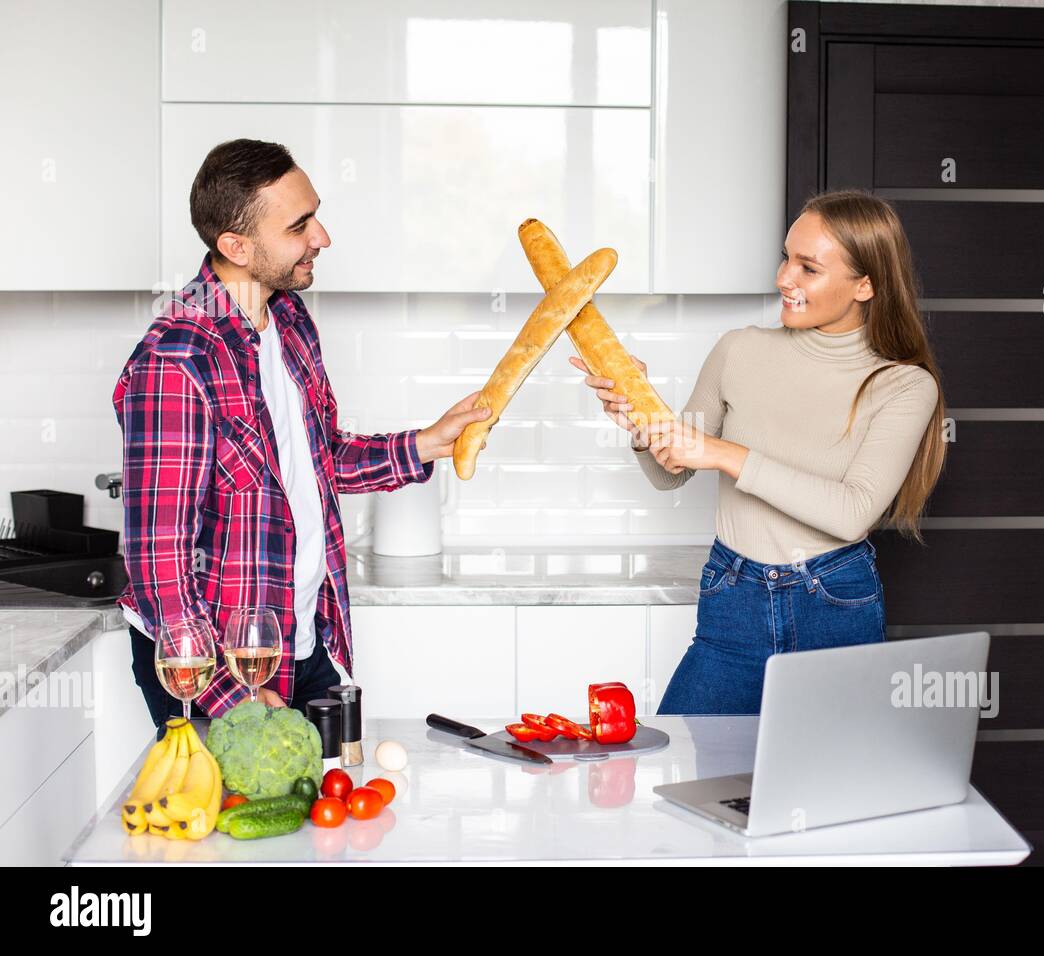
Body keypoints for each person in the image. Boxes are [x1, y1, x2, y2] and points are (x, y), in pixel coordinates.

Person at [113, 138, 491, 732]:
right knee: (240, 823)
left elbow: (317, 458)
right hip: (218, 665)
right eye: (300, 225)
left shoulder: (287, 318)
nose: (323, 237)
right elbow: (157, 556)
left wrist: (424, 443)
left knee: (333, 817)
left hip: (303, 639)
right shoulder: (176, 359)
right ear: (235, 246)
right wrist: (224, 693)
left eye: (315, 213)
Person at [574, 190, 947, 714]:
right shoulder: (738, 349)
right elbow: (672, 473)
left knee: (830, 785)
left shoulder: (903, 386)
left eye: (808, 268)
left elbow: (852, 512)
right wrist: (641, 420)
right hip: (733, 597)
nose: (783, 279)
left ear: (865, 284)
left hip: (832, 603)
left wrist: (724, 453)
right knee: (679, 773)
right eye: (785, 257)